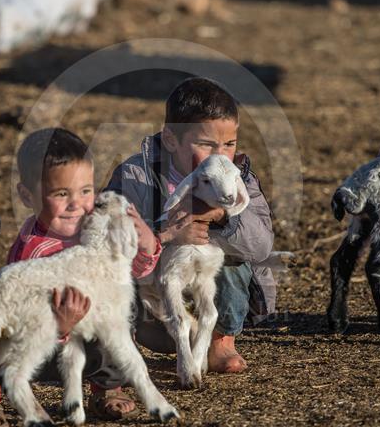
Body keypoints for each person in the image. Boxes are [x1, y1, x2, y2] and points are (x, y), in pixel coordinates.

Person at [0, 128, 162, 427]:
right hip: (44, 343)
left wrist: (146, 243)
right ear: (27, 196)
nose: (77, 204)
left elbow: (137, 272)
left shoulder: (98, 228)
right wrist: (59, 326)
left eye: (86, 191)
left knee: (120, 311)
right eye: (61, 194)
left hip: (86, 338)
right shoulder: (32, 252)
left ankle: (106, 386)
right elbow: (17, 316)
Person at [106, 76, 276, 373]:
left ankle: (219, 343)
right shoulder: (137, 175)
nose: (221, 155)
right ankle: (123, 343)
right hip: (154, 310)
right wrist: (167, 234)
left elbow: (262, 246)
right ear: (171, 139)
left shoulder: (239, 179)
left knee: (233, 262)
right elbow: (111, 234)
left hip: (207, 298)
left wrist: (224, 219)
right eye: (207, 145)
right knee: (119, 270)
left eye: (229, 144)